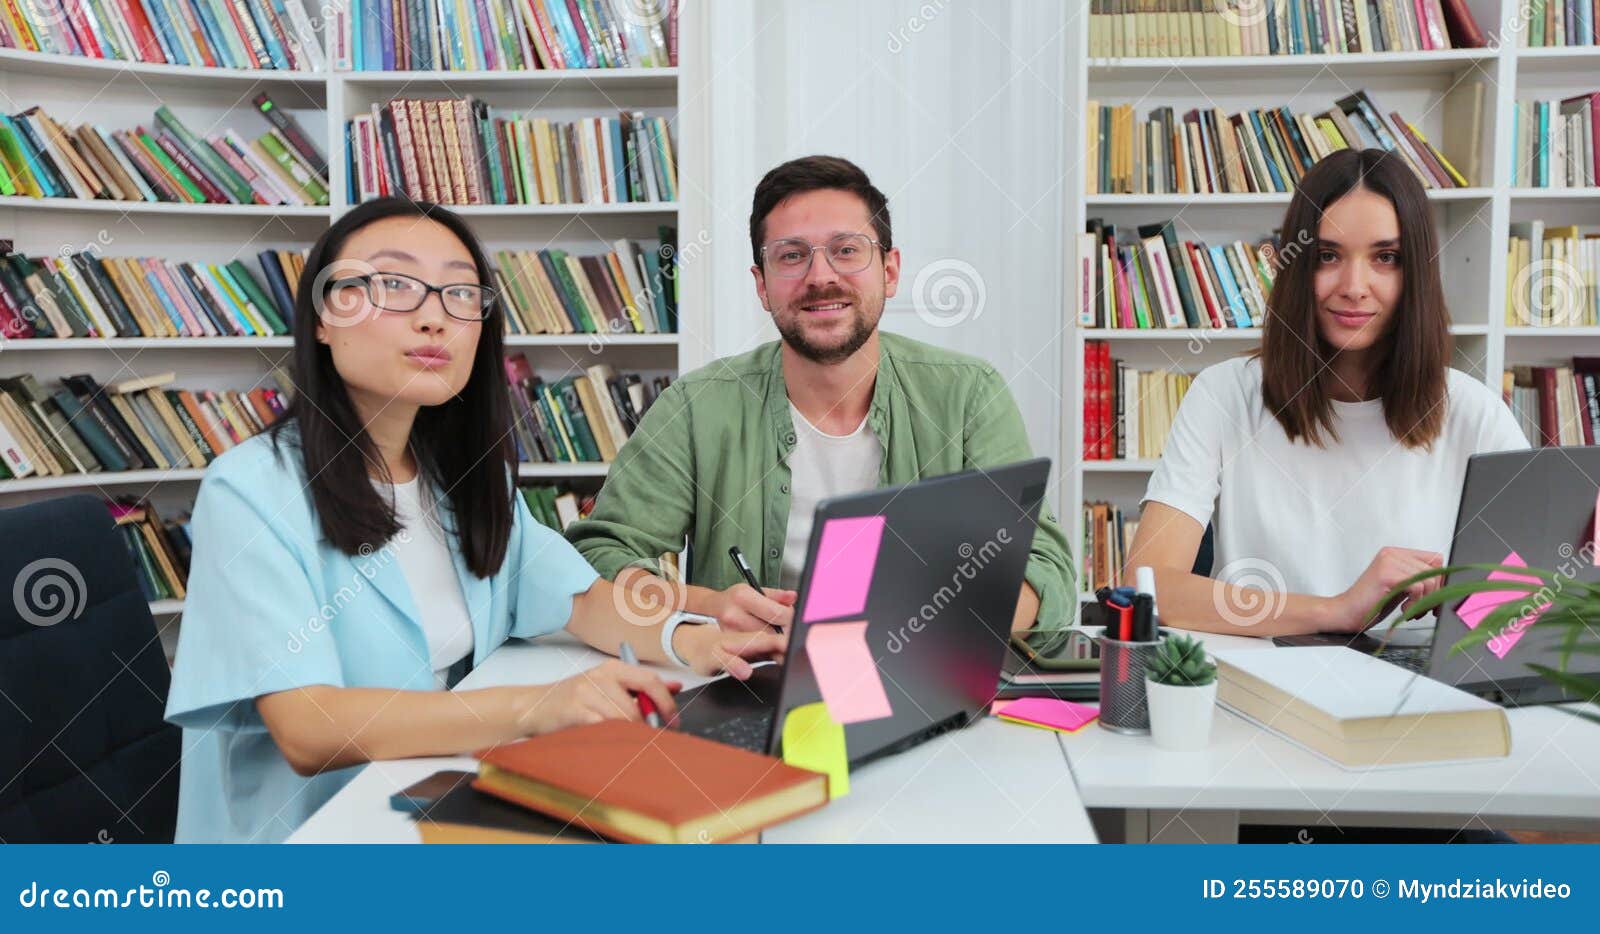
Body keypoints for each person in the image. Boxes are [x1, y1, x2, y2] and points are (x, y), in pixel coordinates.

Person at [164, 198, 781, 843]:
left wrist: (697, 641)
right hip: (310, 839)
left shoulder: (460, 479)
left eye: (460, 293)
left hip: (438, 799)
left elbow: (586, 601)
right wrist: (538, 707)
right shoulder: (250, 490)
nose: (435, 316)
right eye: (394, 283)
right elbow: (307, 727)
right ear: (324, 316)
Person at [565, 155, 1076, 638]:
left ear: (890, 271)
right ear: (762, 285)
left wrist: (926, 623)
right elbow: (600, 555)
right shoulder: (695, 406)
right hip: (743, 678)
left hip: (920, 676)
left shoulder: (968, 394)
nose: (821, 276)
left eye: (846, 250)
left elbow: (1044, 570)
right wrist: (707, 605)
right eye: (791, 256)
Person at [1124, 148, 1529, 637]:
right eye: (1328, 256)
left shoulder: (1475, 412)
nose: (1354, 286)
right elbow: (1149, 586)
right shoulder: (1223, 395)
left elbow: (1537, 600)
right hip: (1264, 676)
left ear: (1416, 274)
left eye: (1385, 258)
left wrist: (1467, 607)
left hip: (1418, 680)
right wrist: (1336, 611)